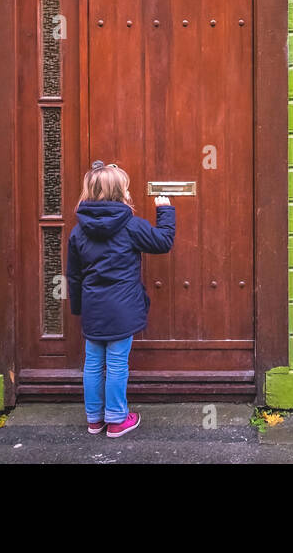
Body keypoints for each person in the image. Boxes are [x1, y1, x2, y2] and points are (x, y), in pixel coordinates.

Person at [66, 160, 176, 437]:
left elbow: (74, 275)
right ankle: (116, 419)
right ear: (120, 193)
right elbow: (163, 242)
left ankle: (94, 419)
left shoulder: (78, 230)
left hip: (94, 307)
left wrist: (79, 307)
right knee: (116, 363)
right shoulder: (130, 225)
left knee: (92, 362)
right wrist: (165, 210)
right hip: (122, 307)